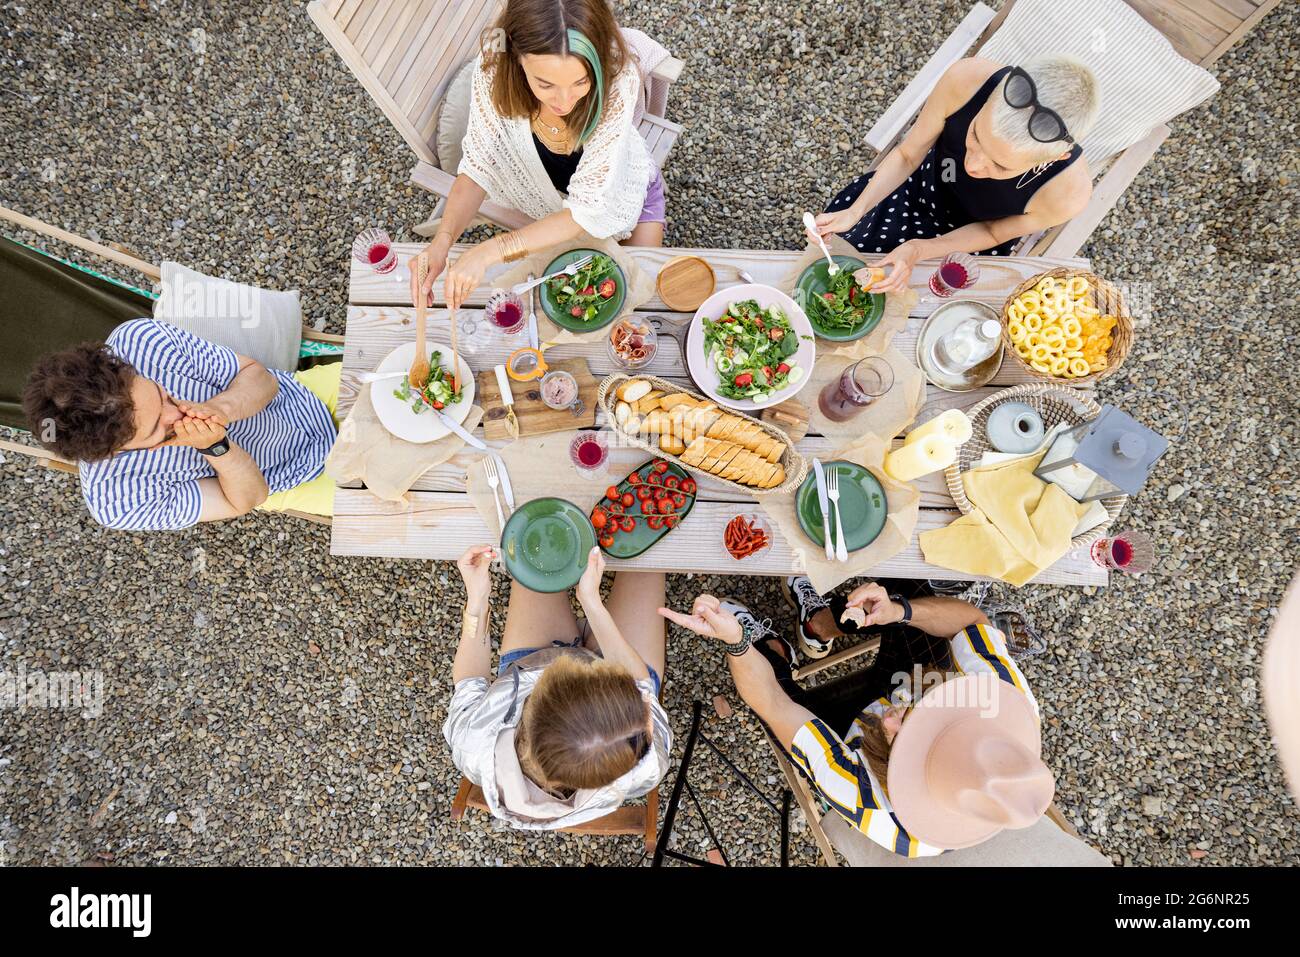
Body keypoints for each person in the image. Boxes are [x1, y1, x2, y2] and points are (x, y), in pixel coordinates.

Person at [660, 578, 1054, 857]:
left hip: (847, 736)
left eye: (908, 739)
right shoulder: (1005, 703)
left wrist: (736, 641)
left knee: (775, 686)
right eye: (931, 711)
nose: (895, 716)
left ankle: (772, 647)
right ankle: (817, 627)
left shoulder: (866, 796)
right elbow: (974, 623)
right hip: (910, 679)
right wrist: (900, 610)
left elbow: (772, 704)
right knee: (909, 585)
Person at [410, 0, 665, 312]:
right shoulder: (494, 71)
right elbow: (479, 167)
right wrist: (442, 241)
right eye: (545, 84)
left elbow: (585, 211)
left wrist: (492, 250)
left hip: (628, 197)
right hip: (552, 206)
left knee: (637, 303)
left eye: (581, 82)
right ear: (517, 59)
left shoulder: (617, 80)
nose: (565, 100)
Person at [808, 54, 1100, 294]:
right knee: (834, 269)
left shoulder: (1067, 195)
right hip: (914, 189)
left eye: (999, 166)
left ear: (1054, 158)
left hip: (971, 242)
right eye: (975, 135)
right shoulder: (966, 80)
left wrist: (918, 250)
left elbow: (993, 231)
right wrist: (857, 209)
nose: (972, 165)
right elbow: (909, 154)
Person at [22, 318, 338, 530]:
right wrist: (217, 446)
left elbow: (260, 378)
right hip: (297, 475)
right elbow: (248, 498)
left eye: (163, 396)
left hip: (307, 395)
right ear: (114, 452)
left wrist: (221, 408)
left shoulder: (141, 341)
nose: (176, 415)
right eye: (157, 429)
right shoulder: (120, 499)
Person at [444, 544, 670, 830]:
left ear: (533, 705)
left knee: (535, 551)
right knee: (650, 553)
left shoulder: (473, 742)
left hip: (534, 657)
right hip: (626, 670)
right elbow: (639, 685)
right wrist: (592, 605)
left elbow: (469, 680)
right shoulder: (647, 761)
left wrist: (477, 599)